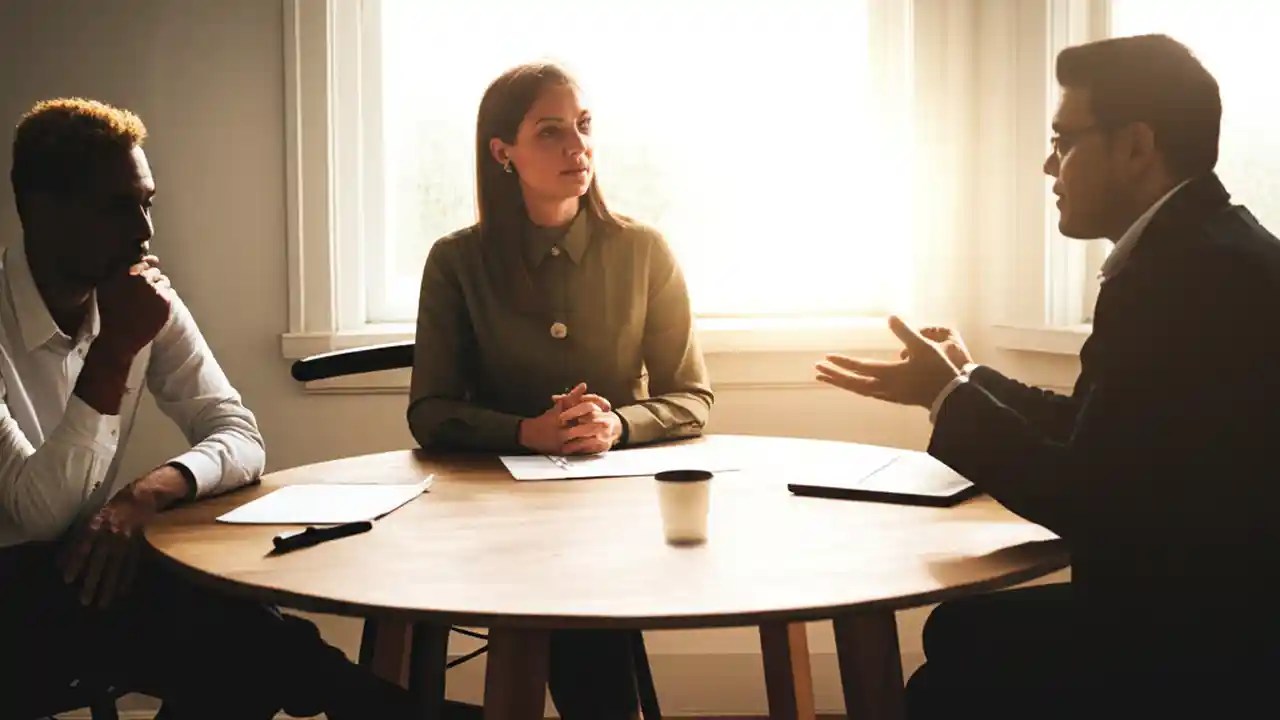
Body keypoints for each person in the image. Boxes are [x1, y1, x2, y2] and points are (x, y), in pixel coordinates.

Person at [815, 35, 1280, 717]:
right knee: (957, 632)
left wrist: (947, 397)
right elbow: (1102, 427)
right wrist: (962, 377)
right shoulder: (1213, 246)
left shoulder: (1174, 279)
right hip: (1224, 605)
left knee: (954, 667)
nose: (1046, 163)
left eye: (1063, 139)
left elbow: (1084, 493)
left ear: (1135, 145)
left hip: (1207, 642)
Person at [0, 97, 419, 719]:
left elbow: (238, 433)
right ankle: (374, 705)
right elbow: (39, 516)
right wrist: (114, 350)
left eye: (147, 203)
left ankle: (368, 705)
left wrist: (144, 494)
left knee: (226, 638)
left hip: (91, 582)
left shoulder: (140, 298)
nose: (143, 232)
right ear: (39, 210)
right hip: (11, 599)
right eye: (119, 207)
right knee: (222, 630)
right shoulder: (124, 319)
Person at [408, 62, 714, 719]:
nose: (578, 147)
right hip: (488, 506)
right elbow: (430, 412)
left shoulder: (644, 251)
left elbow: (691, 397)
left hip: (612, 506)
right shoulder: (456, 260)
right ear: (503, 153)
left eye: (583, 126)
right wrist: (526, 433)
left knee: (580, 574)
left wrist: (617, 427)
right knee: (563, 584)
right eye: (551, 132)